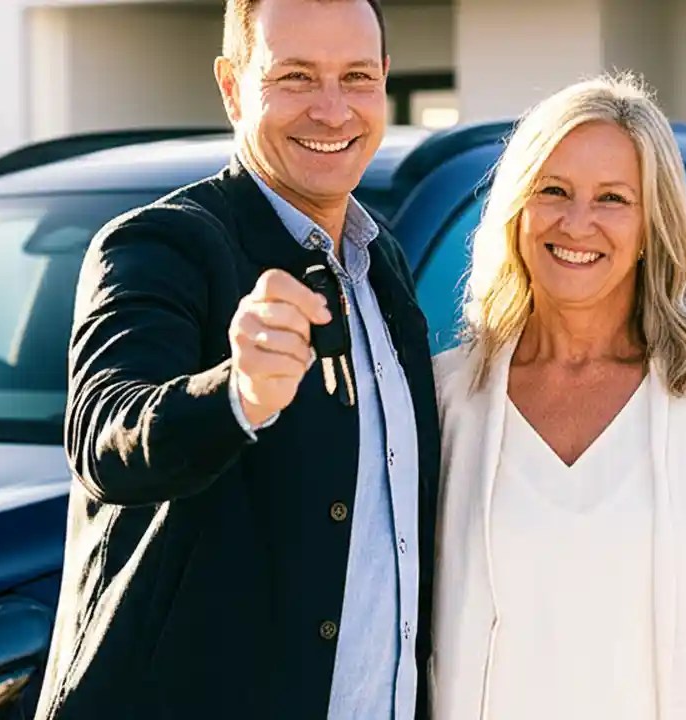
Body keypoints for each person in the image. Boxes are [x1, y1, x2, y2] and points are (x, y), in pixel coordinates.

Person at [32, 0, 439, 718]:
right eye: (296, 78)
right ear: (231, 87)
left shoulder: (383, 267)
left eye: (356, 77)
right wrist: (236, 394)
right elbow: (105, 430)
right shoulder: (162, 246)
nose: (333, 109)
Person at [429, 74, 686, 719]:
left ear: (653, 226)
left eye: (613, 198)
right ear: (517, 211)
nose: (577, 222)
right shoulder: (448, 398)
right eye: (554, 190)